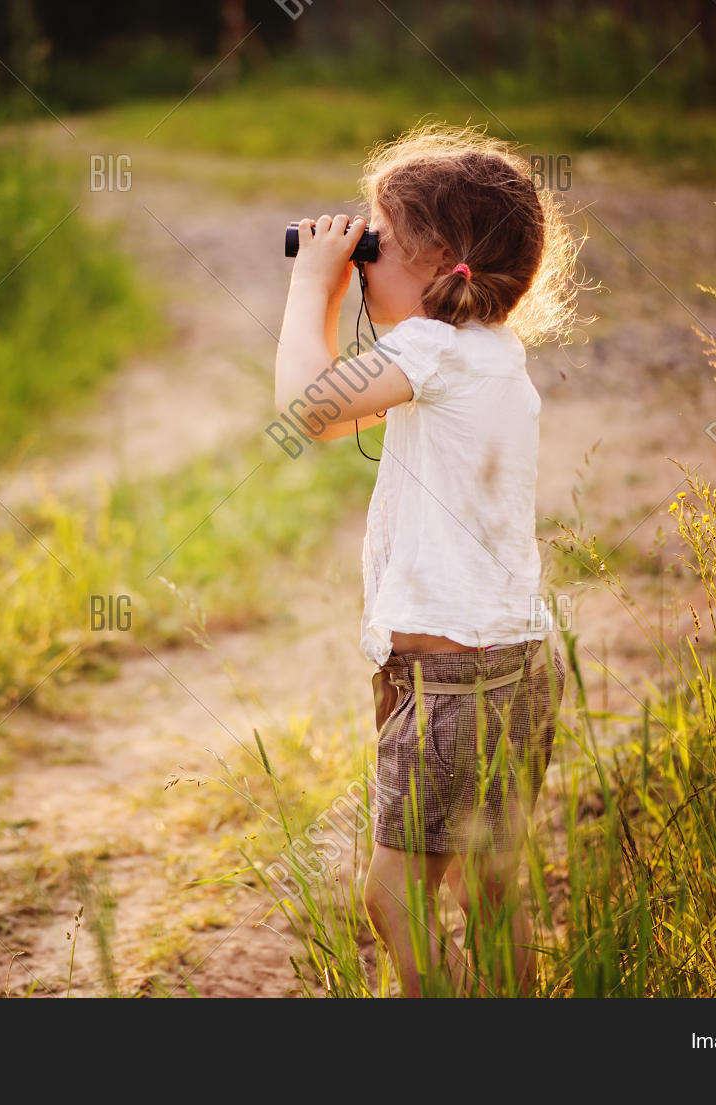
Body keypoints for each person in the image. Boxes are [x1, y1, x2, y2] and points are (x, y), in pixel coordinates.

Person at [273, 124, 582, 996]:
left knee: (393, 896)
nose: (359, 259)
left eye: (374, 243)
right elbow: (337, 416)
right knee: (491, 885)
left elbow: (307, 409)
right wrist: (352, 281)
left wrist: (311, 284)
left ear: (438, 255)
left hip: (452, 677)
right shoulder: (489, 354)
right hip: (506, 664)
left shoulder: (434, 350)